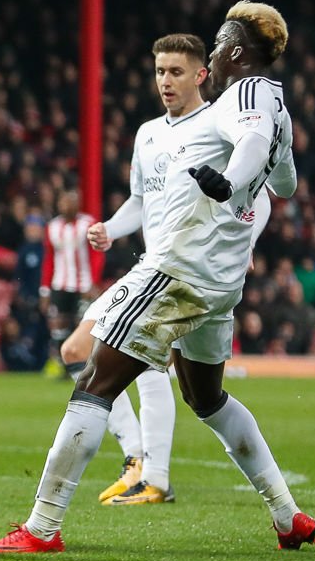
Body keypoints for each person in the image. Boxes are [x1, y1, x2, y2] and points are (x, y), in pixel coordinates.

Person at [0, 1, 315, 553]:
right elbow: (283, 184)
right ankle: (288, 516)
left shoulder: (246, 92)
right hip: (216, 285)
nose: (209, 54)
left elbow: (253, 154)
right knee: (206, 399)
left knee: (93, 382)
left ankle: (41, 528)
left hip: (180, 272)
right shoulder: (267, 112)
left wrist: (228, 183)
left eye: (215, 44)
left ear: (233, 50)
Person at [61, 34, 211, 505]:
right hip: (150, 266)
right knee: (78, 352)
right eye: (160, 71)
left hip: (186, 268)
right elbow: (142, 201)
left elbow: (254, 189)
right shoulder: (147, 132)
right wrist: (110, 226)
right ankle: (142, 464)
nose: (165, 81)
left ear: (201, 75)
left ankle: (152, 473)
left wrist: (241, 239)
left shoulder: (215, 127)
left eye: (176, 72)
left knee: (140, 366)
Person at [39, 190, 103, 375]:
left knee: (81, 323)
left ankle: (84, 364)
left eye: (71, 201)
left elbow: (96, 255)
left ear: (78, 204)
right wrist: (45, 290)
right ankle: (63, 365)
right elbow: (49, 259)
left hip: (83, 284)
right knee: (58, 324)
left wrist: (93, 282)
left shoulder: (88, 224)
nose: (66, 205)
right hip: (60, 284)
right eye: (64, 202)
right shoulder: (52, 226)